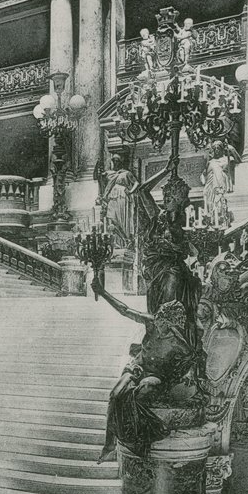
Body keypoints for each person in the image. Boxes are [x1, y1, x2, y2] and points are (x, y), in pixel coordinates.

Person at [92, 158, 205, 457]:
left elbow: (192, 255)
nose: (167, 200)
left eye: (172, 197)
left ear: (182, 201)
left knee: (172, 285)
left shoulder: (183, 229)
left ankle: (130, 440)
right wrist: (166, 171)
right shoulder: (156, 218)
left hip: (171, 275)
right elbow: (140, 191)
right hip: (154, 274)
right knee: (121, 391)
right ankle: (112, 444)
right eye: (166, 195)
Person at [100, 154, 138, 249]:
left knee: (122, 219)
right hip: (112, 197)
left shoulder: (126, 173)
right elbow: (100, 180)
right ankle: (117, 241)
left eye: (117, 161)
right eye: (113, 161)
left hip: (122, 196)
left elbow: (136, 183)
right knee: (111, 217)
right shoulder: (109, 173)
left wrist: (131, 191)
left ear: (121, 162)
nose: (115, 163)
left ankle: (125, 240)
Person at [201, 140, 233, 228]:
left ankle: (222, 218)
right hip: (210, 185)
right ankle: (212, 218)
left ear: (222, 149)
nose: (216, 150)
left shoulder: (226, 159)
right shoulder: (210, 162)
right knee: (209, 201)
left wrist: (231, 150)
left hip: (219, 184)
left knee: (219, 201)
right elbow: (205, 173)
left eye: (218, 148)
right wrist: (204, 175)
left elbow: (227, 171)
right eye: (214, 149)